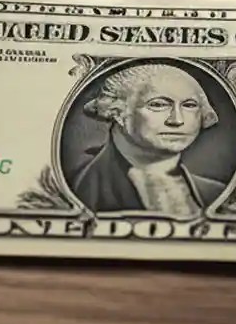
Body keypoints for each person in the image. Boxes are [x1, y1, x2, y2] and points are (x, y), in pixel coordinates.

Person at [69, 63, 226, 218]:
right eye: (158, 104)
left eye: (189, 105)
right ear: (117, 112)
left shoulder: (217, 193)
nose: (177, 120)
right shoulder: (80, 189)